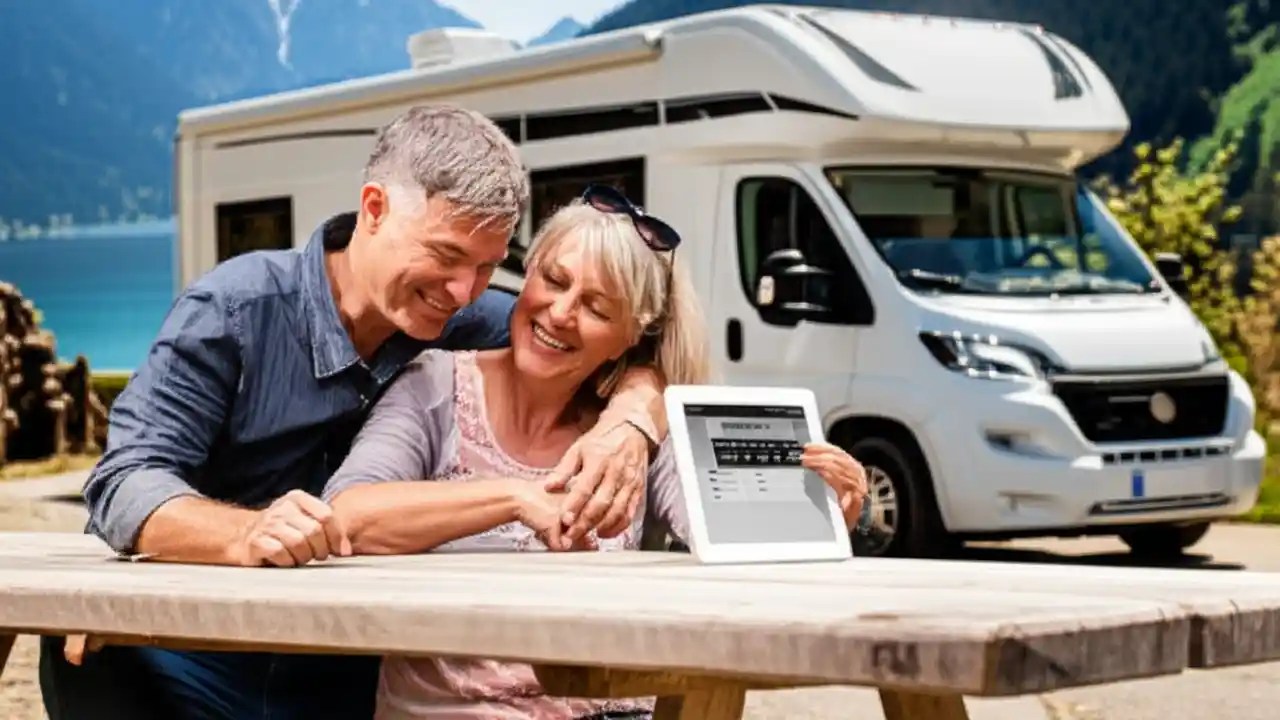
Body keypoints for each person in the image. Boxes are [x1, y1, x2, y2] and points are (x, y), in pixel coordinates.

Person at [40, 106, 668, 720]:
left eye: (486, 266)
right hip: (189, 646)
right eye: (446, 255)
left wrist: (631, 420)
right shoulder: (234, 311)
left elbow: (618, 346)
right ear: (373, 208)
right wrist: (244, 535)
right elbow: (125, 480)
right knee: (78, 649)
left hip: (344, 663)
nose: (463, 291)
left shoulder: (465, 319)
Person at [320, 185, 871, 720]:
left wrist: (817, 517)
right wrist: (515, 499)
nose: (560, 313)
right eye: (554, 280)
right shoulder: (435, 385)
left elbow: (728, 531)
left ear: (632, 336)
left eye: (597, 308)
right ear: (527, 275)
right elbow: (348, 515)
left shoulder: (637, 436)